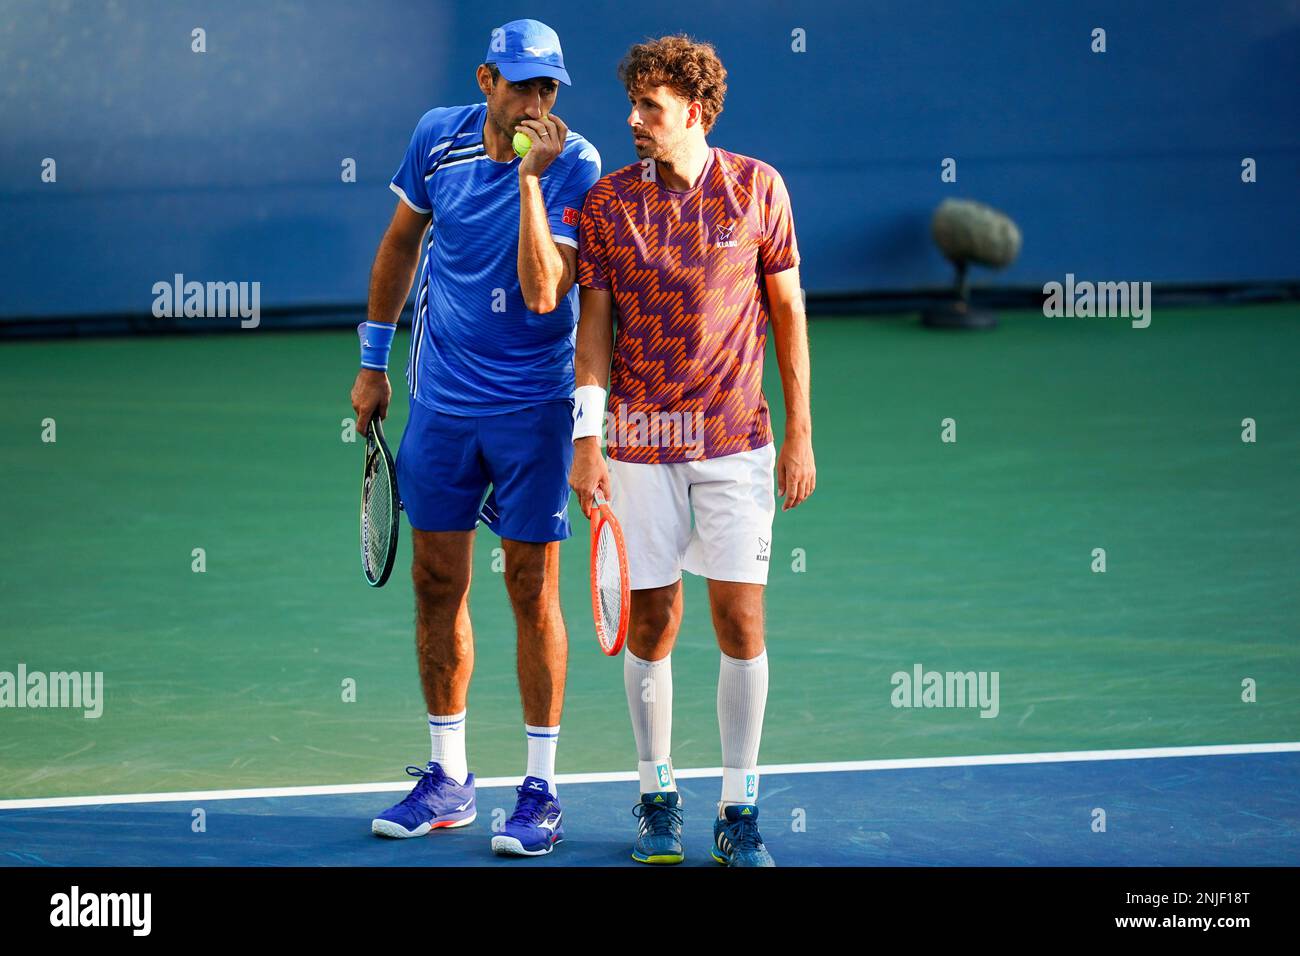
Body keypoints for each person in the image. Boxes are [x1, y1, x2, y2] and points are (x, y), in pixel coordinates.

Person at [350, 18, 600, 857]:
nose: (537, 102)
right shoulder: (436, 136)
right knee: (434, 583)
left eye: (549, 88)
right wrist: (372, 361)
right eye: (523, 85)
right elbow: (398, 245)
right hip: (443, 405)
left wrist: (531, 181)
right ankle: (448, 774)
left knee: (531, 589)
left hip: (533, 410)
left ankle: (539, 790)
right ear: (487, 79)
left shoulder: (576, 161)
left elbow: (541, 294)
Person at [569, 35, 815, 867]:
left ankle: (740, 805)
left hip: (737, 442)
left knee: (740, 619)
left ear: (698, 113)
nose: (635, 120)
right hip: (639, 445)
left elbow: (788, 315)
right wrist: (587, 437)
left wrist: (800, 436)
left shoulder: (759, 188)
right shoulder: (607, 205)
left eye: (653, 108)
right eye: (633, 104)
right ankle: (656, 795)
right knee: (653, 620)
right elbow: (593, 330)